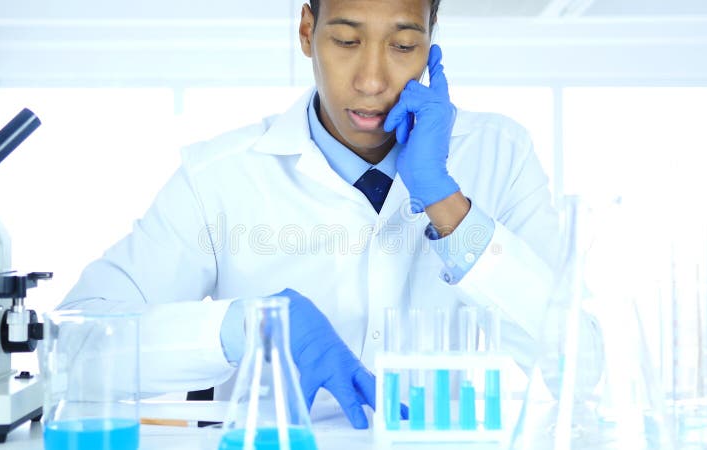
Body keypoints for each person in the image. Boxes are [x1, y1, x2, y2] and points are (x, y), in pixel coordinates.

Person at [58, 0, 561, 430]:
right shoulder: (216, 176)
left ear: (431, 44)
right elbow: (75, 352)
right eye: (345, 41)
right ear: (306, 32)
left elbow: (578, 364)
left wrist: (446, 201)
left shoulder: (500, 153)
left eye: (403, 46)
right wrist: (247, 326)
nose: (370, 80)